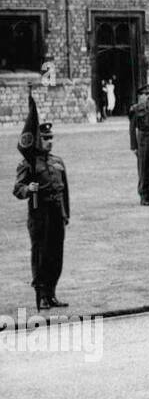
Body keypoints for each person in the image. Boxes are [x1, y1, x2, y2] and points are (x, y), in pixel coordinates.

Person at [15, 121, 70, 310]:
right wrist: (28, 189)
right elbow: (17, 188)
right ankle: (42, 296)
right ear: (38, 140)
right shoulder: (29, 164)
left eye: (51, 137)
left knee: (56, 256)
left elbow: (64, 191)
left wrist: (65, 214)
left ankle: (52, 293)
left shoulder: (57, 161)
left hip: (56, 213)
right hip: (40, 214)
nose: (50, 141)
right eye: (46, 138)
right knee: (41, 256)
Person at [128, 83, 149, 205]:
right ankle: (143, 196)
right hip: (143, 140)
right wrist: (134, 146)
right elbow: (132, 129)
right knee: (143, 168)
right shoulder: (135, 109)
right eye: (145, 94)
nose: (148, 96)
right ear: (140, 96)